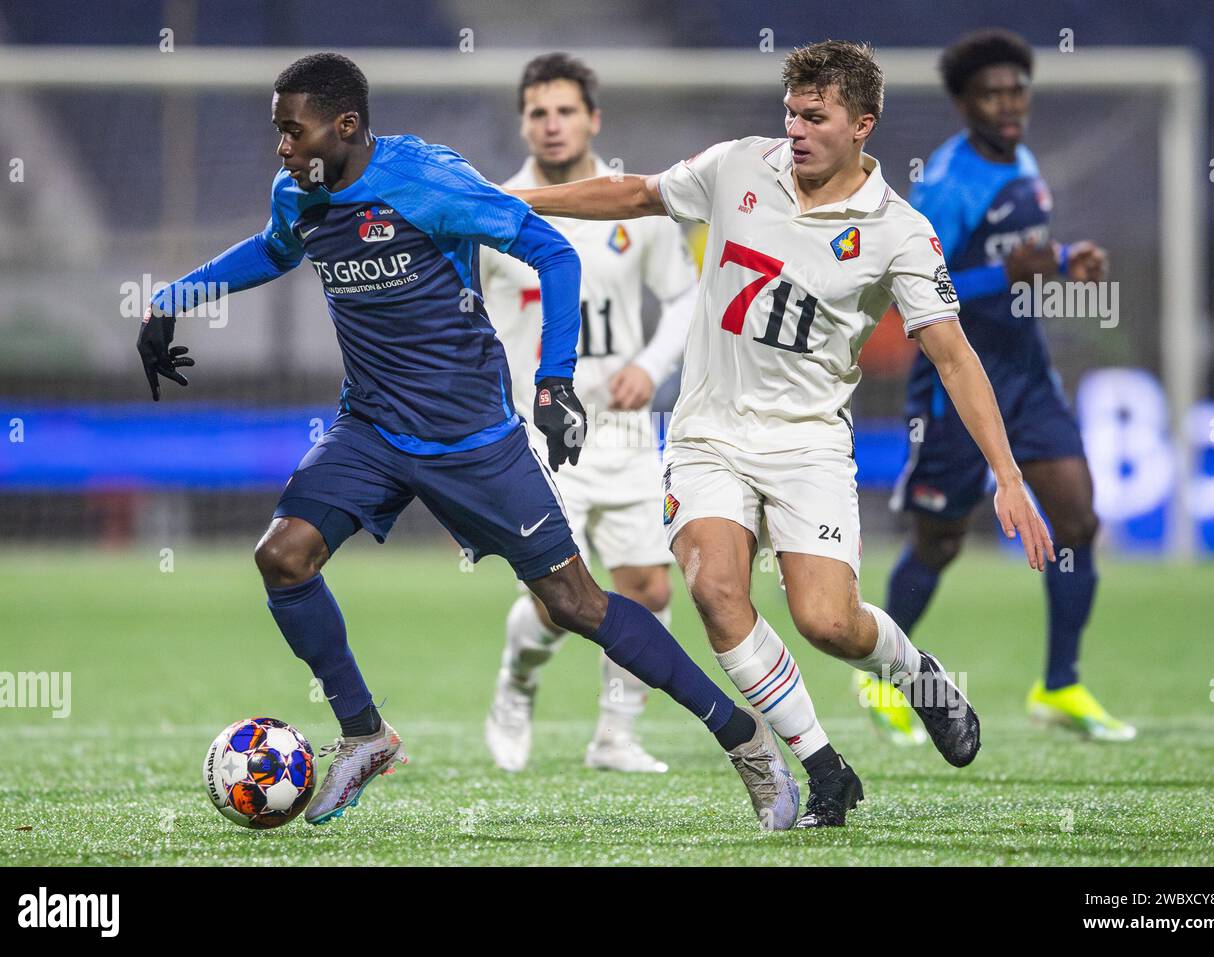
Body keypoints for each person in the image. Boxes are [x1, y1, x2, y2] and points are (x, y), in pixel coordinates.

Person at [136, 52, 801, 829]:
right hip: (372, 428)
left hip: (472, 439)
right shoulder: (299, 193)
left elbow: (550, 251)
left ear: (344, 126)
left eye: (293, 130)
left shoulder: (430, 181)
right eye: (277, 131)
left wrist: (555, 380)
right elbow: (278, 248)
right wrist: (174, 296)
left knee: (576, 602)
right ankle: (365, 733)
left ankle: (744, 738)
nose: (281, 147)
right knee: (282, 555)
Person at [510, 39, 1055, 827]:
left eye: (817, 115)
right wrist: (520, 202)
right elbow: (635, 193)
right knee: (713, 586)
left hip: (808, 441)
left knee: (827, 620)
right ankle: (825, 767)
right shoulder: (738, 167)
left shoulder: (899, 231)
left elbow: (956, 358)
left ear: (863, 124)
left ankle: (917, 674)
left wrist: (1006, 475)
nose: (796, 128)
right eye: (791, 111)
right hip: (708, 434)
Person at [878, 29, 1134, 743]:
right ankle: (882, 674)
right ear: (964, 104)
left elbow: (1019, 254)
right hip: (954, 386)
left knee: (1079, 522)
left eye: (1016, 89)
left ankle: (1060, 684)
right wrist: (1008, 275)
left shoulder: (1020, 159)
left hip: (1024, 372)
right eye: (991, 93)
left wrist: (1059, 256)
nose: (1008, 103)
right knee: (939, 542)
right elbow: (915, 288)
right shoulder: (946, 186)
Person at [481, 53, 697, 774]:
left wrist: (650, 366)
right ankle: (517, 680)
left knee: (649, 586)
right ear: (523, 121)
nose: (552, 124)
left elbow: (686, 297)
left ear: (593, 119)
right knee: (557, 599)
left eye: (566, 110)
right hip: (537, 436)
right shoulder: (491, 210)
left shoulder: (632, 205)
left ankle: (615, 734)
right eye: (539, 112)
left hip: (626, 430)